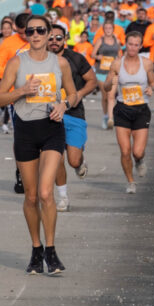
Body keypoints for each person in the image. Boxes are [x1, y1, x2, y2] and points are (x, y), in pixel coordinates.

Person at [0, 14, 77, 276]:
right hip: (26, 131)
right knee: (30, 196)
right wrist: (21, 91)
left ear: (50, 33)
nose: (37, 35)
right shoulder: (17, 63)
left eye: (41, 30)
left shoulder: (60, 62)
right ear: (26, 35)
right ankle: (36, 248)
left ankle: (51, 251)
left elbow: (73, 93)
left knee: (44, 193)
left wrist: (64, 104)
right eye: (31, 31)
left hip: (52, 129)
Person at [48, 23, 96, 211]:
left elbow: (92, 81)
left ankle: (80, 162)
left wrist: (78, 95)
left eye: (58, 38)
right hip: (51, 115)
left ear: (65, 39)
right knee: (57, 158)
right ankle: (62, 197)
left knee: (73, 160)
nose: (54, 41)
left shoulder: (75, 58)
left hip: (74, 114)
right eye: (50, 37)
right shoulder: (40, 60)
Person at [104, 31, 154, 193]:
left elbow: (153, 81)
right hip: (122, 110)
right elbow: (106, 88)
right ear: (125, 44)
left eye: (136, 45)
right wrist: (110, 82)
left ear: (140, 46)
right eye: (130, 44)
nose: (132, 47)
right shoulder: (117, 64)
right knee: (125, 151)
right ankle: (131, 181)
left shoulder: (147, 63)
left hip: (141, 109)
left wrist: (150, 88)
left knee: (137, 151)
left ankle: (139, 161)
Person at [93, 20, 122, 129]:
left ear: (113, 29)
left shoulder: (117, 41)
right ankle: (105, 116)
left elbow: (119, 54)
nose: (108, 30)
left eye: (110, 28)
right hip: (101, 72)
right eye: (106, 28)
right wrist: (98, 57)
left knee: (111, 96)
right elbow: (92, 54)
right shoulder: (100, 41)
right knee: (105, 96)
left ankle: (110, 118)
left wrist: (119, 61)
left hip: (112, 72)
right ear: (103, 30)